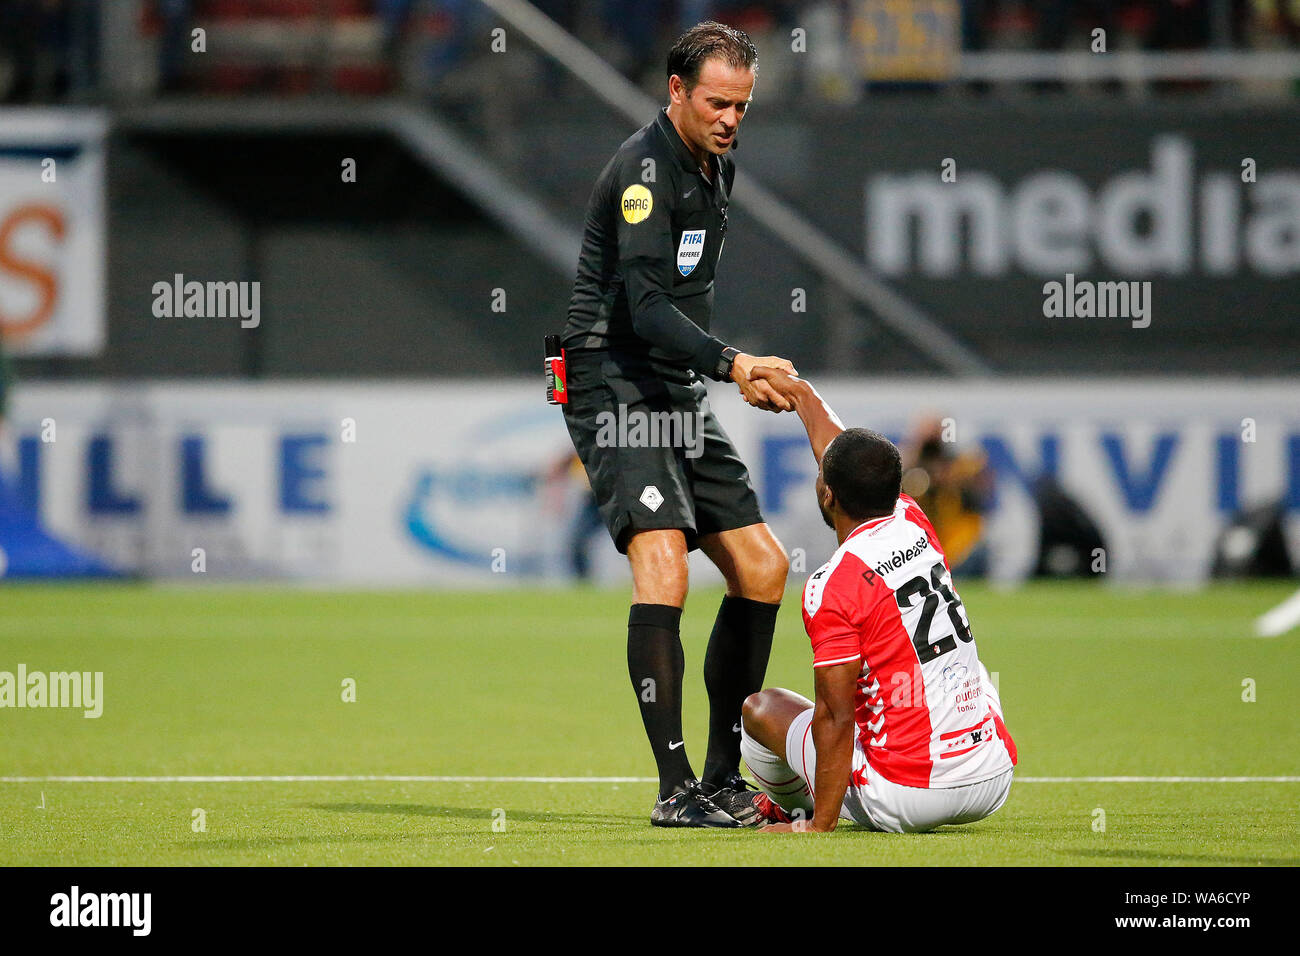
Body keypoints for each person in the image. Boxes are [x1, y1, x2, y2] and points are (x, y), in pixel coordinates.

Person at [560, 21, 796, 828]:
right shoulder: (643, 171)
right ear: (677, 93)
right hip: (613, 378)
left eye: (742, 106)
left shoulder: (713, 166)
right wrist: (734, 364)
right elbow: (648, 308)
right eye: (717, 102)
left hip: (672, 386)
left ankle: (726, 777)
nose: (731, 119)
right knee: (663, 569)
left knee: (762, 566)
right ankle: (675, 789)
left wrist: (721, 369)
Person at [739, 367, 1017, 834]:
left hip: (909, 796)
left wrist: (819, 827)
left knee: (760, 712)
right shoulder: (916, 522)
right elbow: (841, 453)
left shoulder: (833, 583)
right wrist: (803, 395)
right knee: (962, 682)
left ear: (826, 493)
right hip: (992, 775)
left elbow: (834, 713)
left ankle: (798, 810)